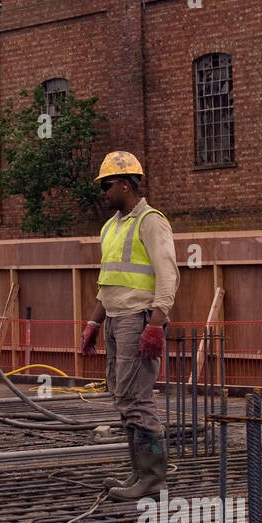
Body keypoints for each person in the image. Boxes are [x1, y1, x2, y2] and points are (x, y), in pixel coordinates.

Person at [80, 151, 179, 499]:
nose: (103, 193)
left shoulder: (151, 222)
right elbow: (109, 282)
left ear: (126, 184)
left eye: (107, 185)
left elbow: (168, 276)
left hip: (138, 320)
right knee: (123, 397)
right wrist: (94, 321)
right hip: (116, 320)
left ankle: (152, 478)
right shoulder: (111, 227)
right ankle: (140, 474)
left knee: (138, 400)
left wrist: (155, 324)